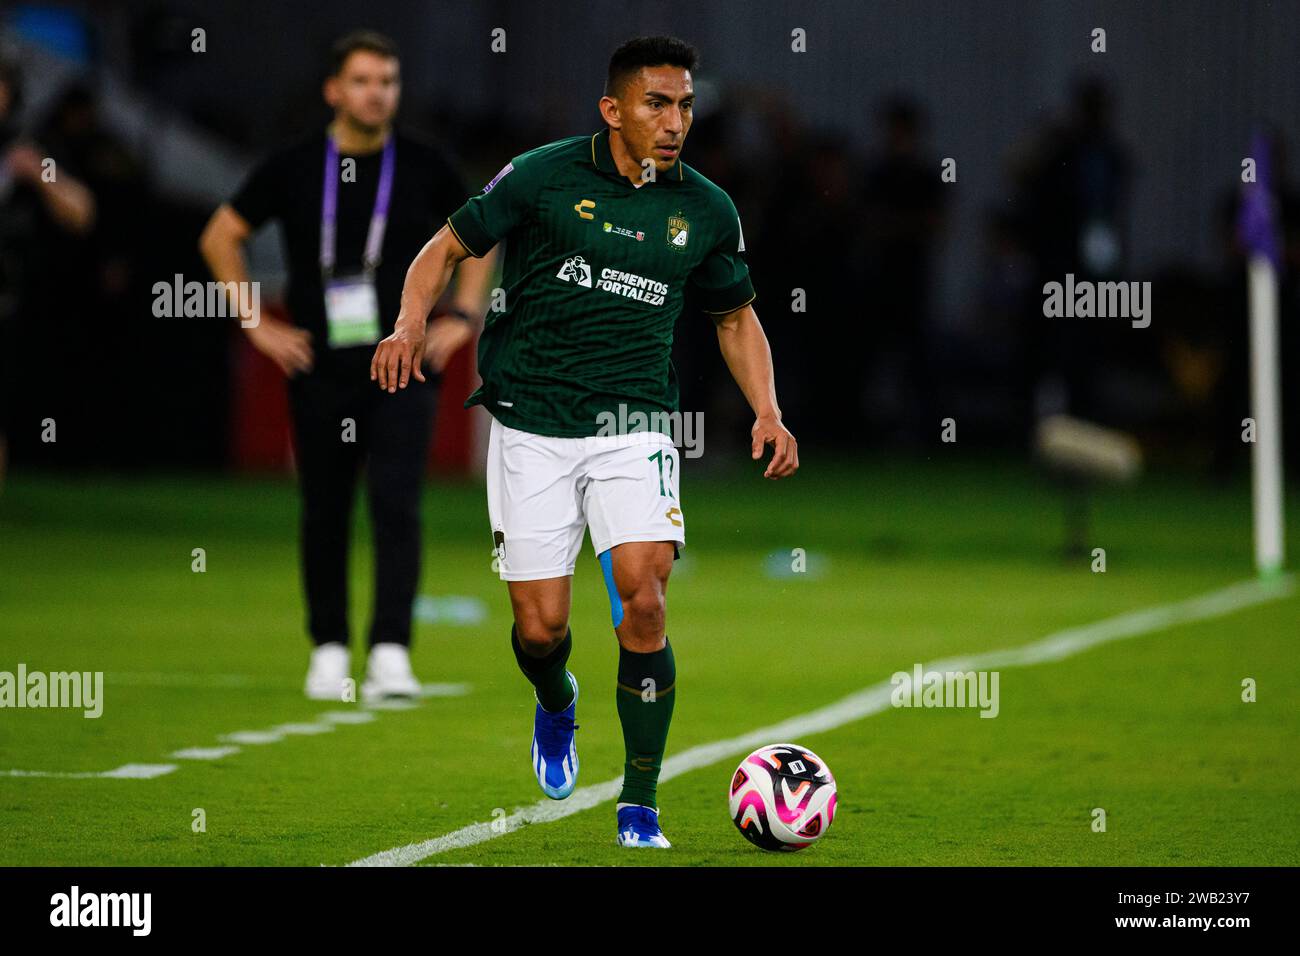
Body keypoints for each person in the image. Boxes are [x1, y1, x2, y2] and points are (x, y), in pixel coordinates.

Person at [371, 36, 798, 848]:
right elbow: (445, 247)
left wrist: (767, 411)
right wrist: (409, 321)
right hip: (529, 424)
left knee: (644, 594)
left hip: (633, 425)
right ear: (612, 110)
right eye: (656, 104)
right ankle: (557, 700)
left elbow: (735, 317)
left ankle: (640, 801)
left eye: (685, 105)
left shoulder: (705, 208)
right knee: (540, 629)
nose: (675, 122)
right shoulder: (541, 175)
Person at [199, 30, 493, 702]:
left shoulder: (423, 162)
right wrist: (256, 327)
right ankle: (329, 649)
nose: (377, 93)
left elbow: (482, 237)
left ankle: (391, 650)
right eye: (362, 80)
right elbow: (220, 235)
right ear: (334, 90)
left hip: (405, 364)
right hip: (321, 366)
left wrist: (463, 318)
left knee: (397, 505)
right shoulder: (296, 164)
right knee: (324, 509)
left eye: (388, 81)